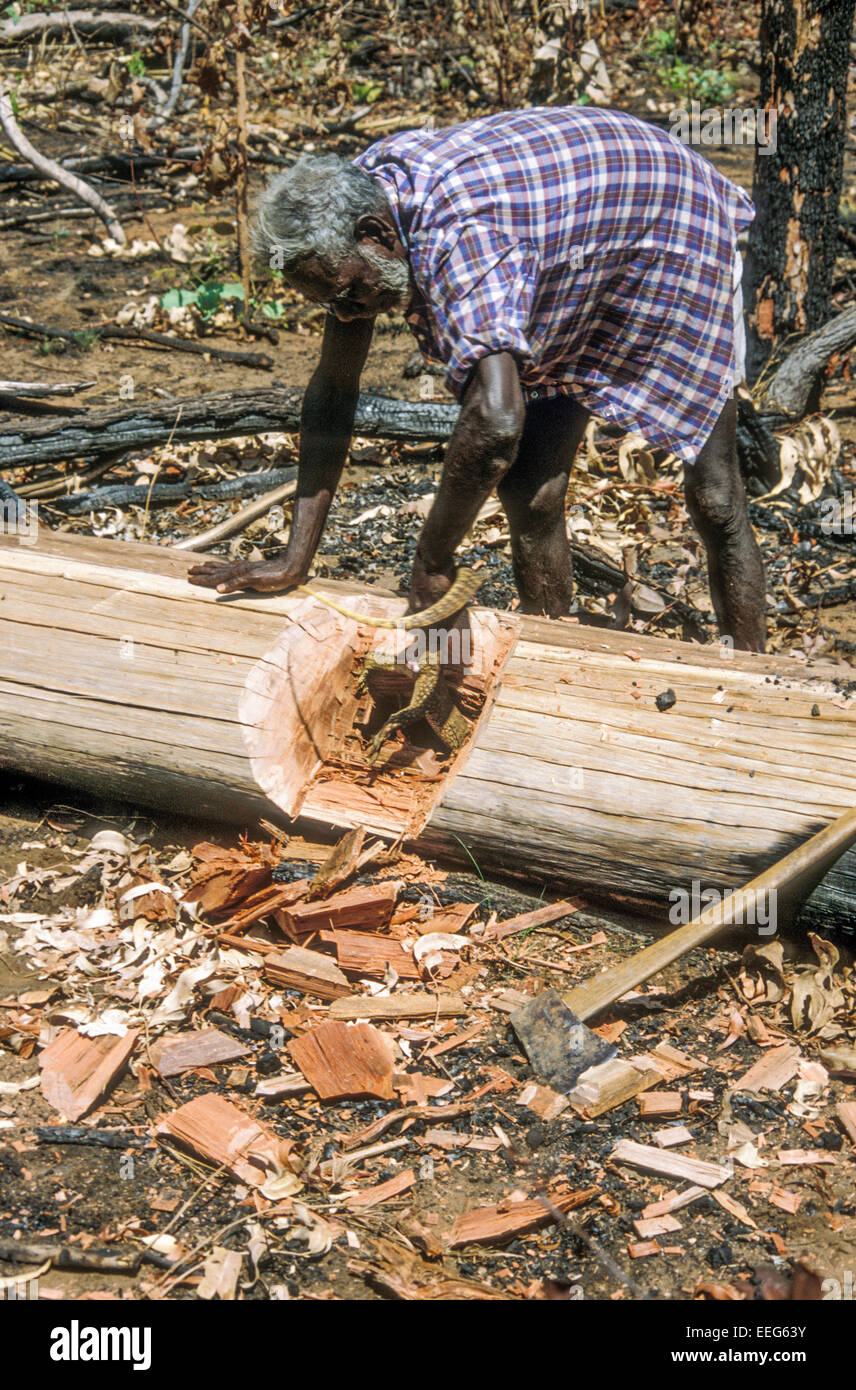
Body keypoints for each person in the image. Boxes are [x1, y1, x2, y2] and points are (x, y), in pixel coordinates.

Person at [189, 106, 766, 650]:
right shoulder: (353, 210)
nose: (344, 315)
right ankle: (548, 666)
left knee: (714, 495)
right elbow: (333, 392)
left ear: (378, 235)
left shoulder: (460, 237)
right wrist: (295, 557)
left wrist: (432, 562)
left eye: (348, 295)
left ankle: (756, 682)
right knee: (531, 492)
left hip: (664, 215)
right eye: (327, 302)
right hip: (560, 237)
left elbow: (495, 421)